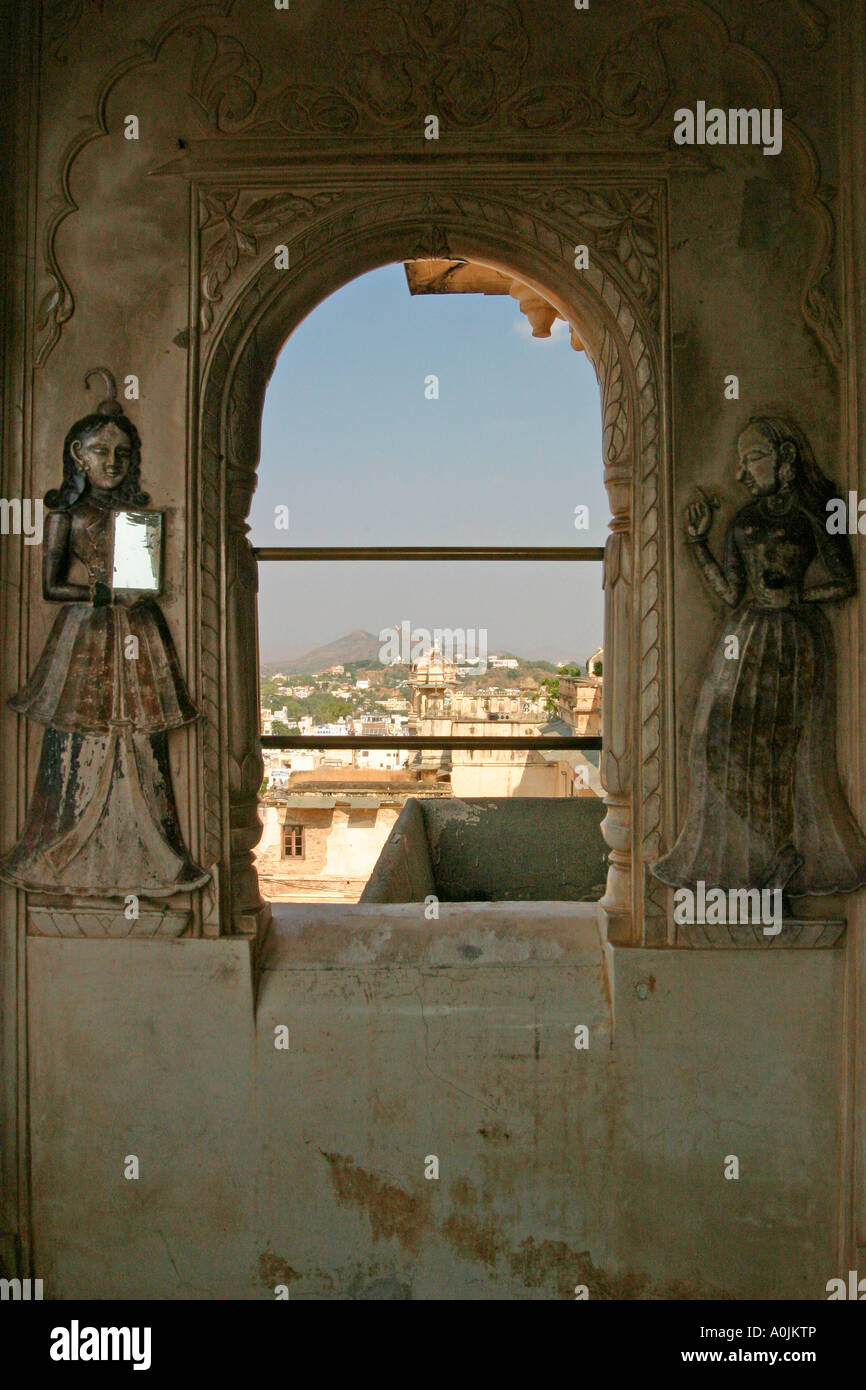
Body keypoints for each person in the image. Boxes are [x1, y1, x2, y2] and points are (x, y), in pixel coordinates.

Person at [0, 369, 209, 897]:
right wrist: (102, 595)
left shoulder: (138, 513)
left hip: (137, 626)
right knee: (80, 734)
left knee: (139, 737)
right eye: (100, 452)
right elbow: (51, 586)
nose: (111, 463)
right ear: (78, 455)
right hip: (87, 629)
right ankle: (69, 846)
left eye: (120, 454)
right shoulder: (65, 514)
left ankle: (144, 851)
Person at [651, 415, 866, 900]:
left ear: (785, 459)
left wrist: (796, 598)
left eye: (753, 459)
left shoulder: (817, 508)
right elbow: (729, 592)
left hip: (792, 640)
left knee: (777, 752)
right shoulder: (745, 520)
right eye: (740, 461)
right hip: (744, 636)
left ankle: (781, 857)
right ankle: (767, 855)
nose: (742, 473)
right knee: (710, 743)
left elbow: (844, 581)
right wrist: (696, 542)